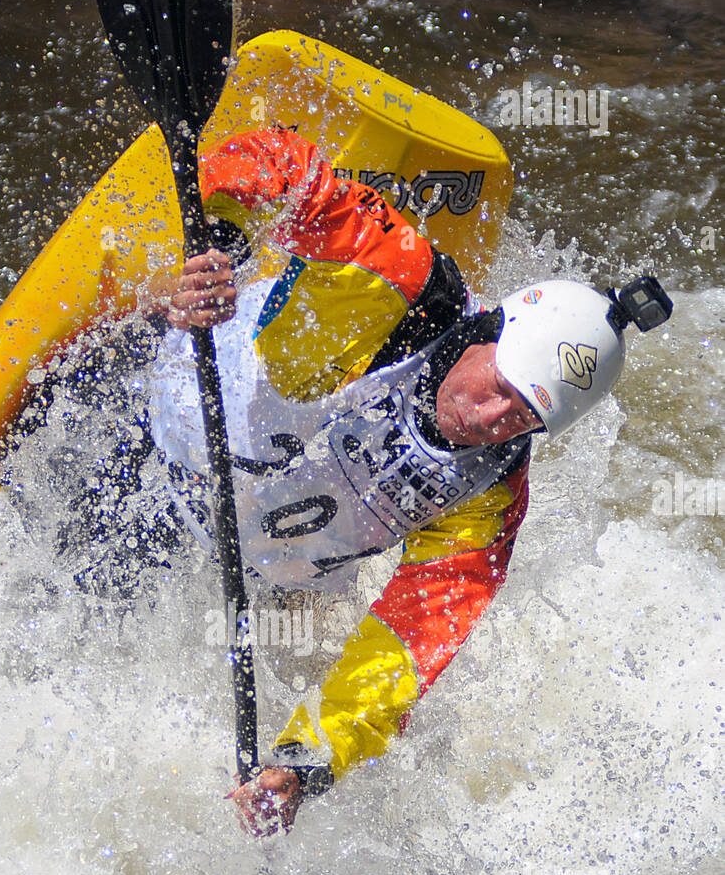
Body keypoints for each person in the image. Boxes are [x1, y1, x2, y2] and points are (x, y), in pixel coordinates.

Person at [60, 126, 671, 836]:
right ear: (486, 333)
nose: (494, 418)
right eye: (502, 385)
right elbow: (278, 163)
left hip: (258, 569)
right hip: (146, 443)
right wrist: (200, 250)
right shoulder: (399, 273)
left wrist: (302, 764)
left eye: (525, 416)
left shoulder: (490, 495)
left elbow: (405, 651)